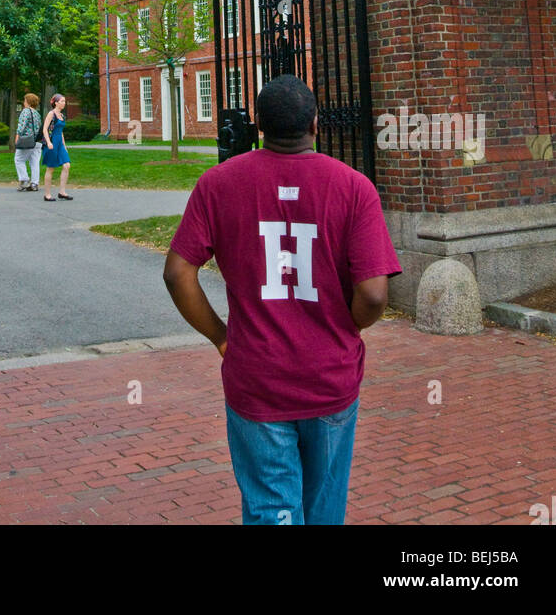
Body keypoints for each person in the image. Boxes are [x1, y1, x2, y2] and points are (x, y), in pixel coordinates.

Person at [163, 74, 401, 526]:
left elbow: (177, 273)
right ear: (315, 123)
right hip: (330, 376)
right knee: (324, 508)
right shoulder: (354, 187)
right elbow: (373, 293)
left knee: (272, 511)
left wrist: (221, 337)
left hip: (257, 376)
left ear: (258, 124)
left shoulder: (218, 184)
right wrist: (346, 327)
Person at [41, 94, 72, 201]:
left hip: (59, 143)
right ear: (56, 103)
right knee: (51, 168)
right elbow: (45, 129)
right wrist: (49, 142)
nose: (64, 103)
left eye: (64, 101)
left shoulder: (62, 115)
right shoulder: (51, 114)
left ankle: (62, 192)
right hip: (51, 143)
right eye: (62, 101)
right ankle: (47, 195)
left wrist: (64, 145)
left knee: (67, 165)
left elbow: (61, 132)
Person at [14, 92, 42, 192]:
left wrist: (17, 136)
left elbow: (22, 125)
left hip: (27, 140)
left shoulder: (26, 111)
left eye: (25, 100)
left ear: (28, 102)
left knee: (19, 159)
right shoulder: (37, 113)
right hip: (37, 141)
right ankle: (34, 184)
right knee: (34, 162)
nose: (24, 102)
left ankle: (24, 180)